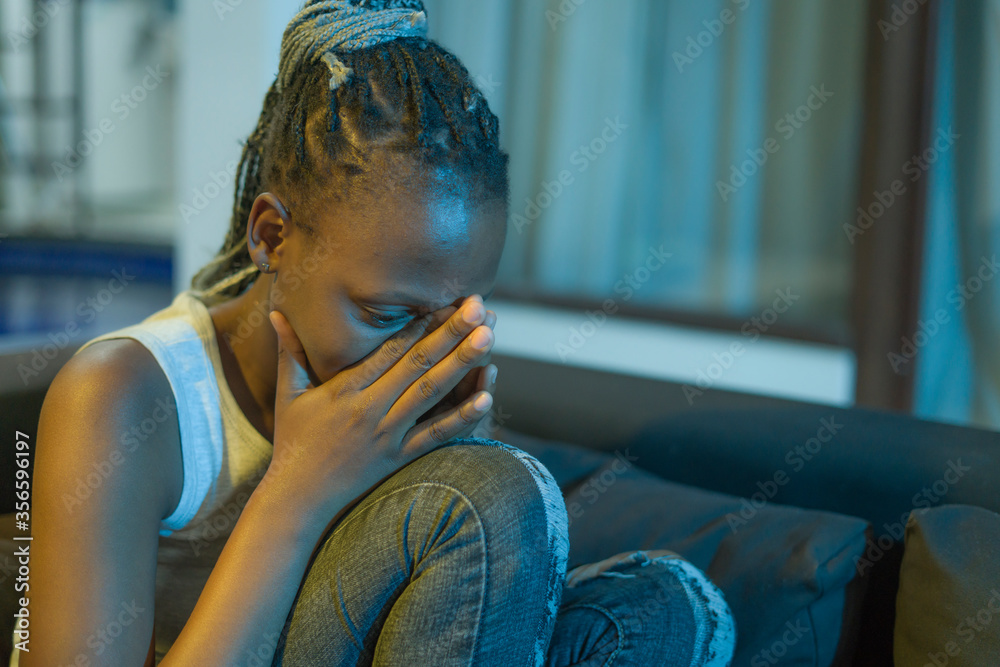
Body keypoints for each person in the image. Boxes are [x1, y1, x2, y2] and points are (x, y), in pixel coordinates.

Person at [20, 1, 736, 665]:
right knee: (488, 501)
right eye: (387, 315)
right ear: (273, 235)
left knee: (671, 605)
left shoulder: (404, 381)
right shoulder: (126, 396)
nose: (415, 352)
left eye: (451, 316)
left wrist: (453, 441)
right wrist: (296, 492)